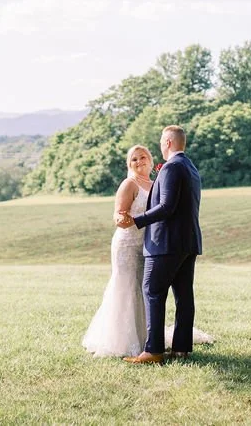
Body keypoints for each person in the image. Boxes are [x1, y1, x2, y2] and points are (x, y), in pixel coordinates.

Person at [119, 125, 203, 364]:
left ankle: (153, 350)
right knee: (184, 296)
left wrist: (137, 220)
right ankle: (181, 349)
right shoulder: (191, 167)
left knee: (153, 292)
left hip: (165, 243)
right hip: (188, 242)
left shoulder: (171, 167)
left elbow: (167, 206)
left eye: (160, 142)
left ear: (167, 143)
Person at [81, 145, 153, 357]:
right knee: (126, 287)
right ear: (129, 164)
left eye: (142, 157)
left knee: (142, 289)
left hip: (146, 245)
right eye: (134, 159)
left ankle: (145, 337)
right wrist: (131, 220)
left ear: (150, 159)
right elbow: (118, 216)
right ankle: (120, 340)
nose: (139, 162)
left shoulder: (154, 184)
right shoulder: (128, 184)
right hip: (127, 244)